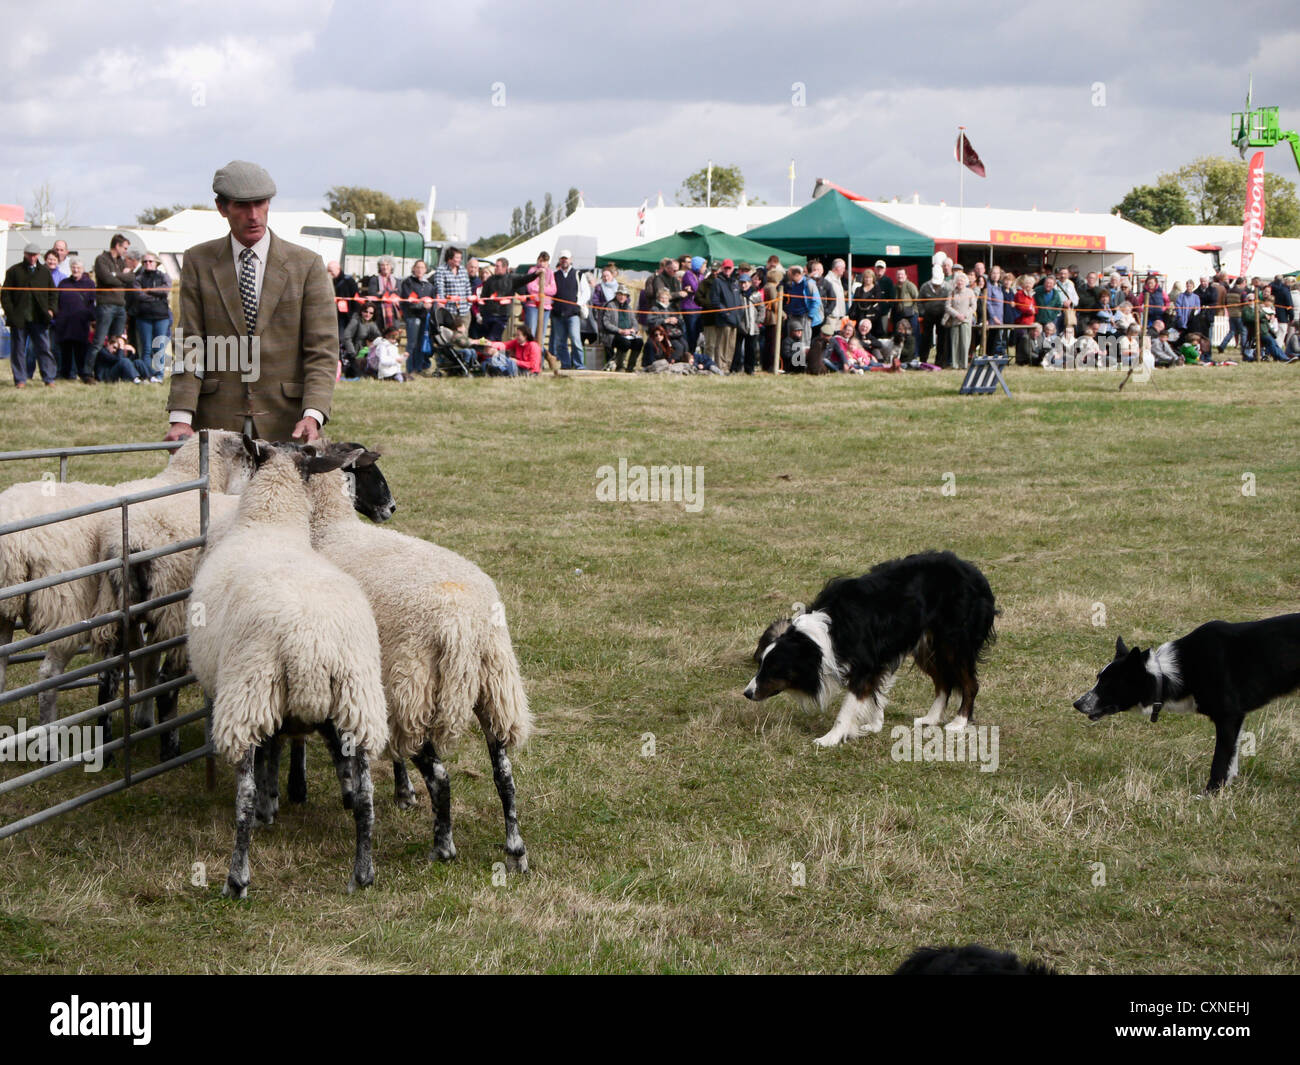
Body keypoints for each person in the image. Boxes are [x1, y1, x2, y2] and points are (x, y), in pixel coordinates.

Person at [165, 160, 336, 443]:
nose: (254, 215)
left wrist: (313, 413)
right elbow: (189, 344)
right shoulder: (198, 261)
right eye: (242, 206)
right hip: (216, 420)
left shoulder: (307, 265)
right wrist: (181, 418)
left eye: (260, 203)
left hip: (288, 422)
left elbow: (322, 350)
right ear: (222, 208)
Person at [1, 242, 58, 387]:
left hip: (39, 318)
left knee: (44, 349)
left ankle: (49, 378)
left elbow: (53, 294)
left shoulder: (44, 272)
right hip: (19, 318)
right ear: (25, 254)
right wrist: (10, 313)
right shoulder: (14, 271)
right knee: (18, 350)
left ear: (39, 255)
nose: (32, 258)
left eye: (35, 255)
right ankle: (20, 379)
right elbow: (5, 295)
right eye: (29, 255)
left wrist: (51, 310)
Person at [86, 233, 132, 377]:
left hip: (120, 307)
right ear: (117, 246)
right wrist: (121, 277)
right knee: (99, 342)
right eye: (124, 248)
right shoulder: (101, 260)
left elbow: (130, 278)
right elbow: (106, 279)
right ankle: (87, 372)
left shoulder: (121, 261)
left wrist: (116, 275)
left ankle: (112, 372)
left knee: (117, 342)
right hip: (106, 305)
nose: (126, 251)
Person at [52, 257, 96, 381]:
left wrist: (90, 317)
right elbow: (57, 301)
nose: (76, 270)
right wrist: (57, 315)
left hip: (81, 323)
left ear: (83, 269)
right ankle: (64, 374)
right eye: (73, 267)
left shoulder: (89, 284)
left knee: (80, 350)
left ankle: (82, 373)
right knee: (65, 350)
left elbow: (92, 303)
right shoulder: (64, 283)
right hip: (64, 323)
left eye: (78, 268)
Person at [131, 251, 171, 382]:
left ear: (156, 263)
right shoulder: (138, 278)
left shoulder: (163, 276)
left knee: (159, 346)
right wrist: (155, 297)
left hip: (161, 317)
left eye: (150, 261)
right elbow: (138, 295)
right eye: (145, 262)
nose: (147, 264)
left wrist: (148, 291)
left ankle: (159, 375)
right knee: (146, 348)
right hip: (144, 317)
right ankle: (147, 374)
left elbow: (166, 290)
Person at [549, 249, 585, 369]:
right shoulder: (554, 275)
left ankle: (579, 365)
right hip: (558, 314)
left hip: (573, 314)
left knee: (576, 340)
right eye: (562, 258)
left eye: (566, 258)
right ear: (559, 260)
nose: (564, 260)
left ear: (571, 259)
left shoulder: (578, 274)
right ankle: (566, 365)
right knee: (560, 342)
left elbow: (586, 292)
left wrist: (578, 304)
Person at [400, 259, 435, 375]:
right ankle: (409, 369)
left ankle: (419, 368)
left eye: (422, 267)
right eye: (418, 267)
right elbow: (408, 300)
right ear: (414, 269)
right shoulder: (408, 282)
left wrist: (430, 306)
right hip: (412, 317)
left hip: (425, 317)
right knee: (412, 344)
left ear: (425, 270)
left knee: (421, 344)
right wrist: (422, 305)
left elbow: (433, 300)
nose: (420, 270)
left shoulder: (429, 286)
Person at [597, 284, 644, 372]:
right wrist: (620, 331)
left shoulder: (628, 307)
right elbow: (606, 323)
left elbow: (634, 322)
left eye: (624, 295)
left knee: (639, 342)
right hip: (612, 335)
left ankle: (630, 367)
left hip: (628, 334)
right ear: (617, 295)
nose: (622, 297)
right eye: (620, 294)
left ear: (627, 297)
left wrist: (633, 329)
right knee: (625, 343)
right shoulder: (610, 305)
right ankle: (620, 366)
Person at [707, 259, 742, 371]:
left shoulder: (735, 282)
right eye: (726, 268)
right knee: (722, 345)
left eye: (729, 268)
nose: (727, 270)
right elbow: (715, 301)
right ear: (722, 268)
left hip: (735, 319)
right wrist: (726, 313)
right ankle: (720, 367)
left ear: (732, 269)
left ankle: (727, 367)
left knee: (731, 346)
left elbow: (739, 300)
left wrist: (738, 315)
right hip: (724, 319)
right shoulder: (718, 282)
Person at [433, 247, 472, 335]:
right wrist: (442, 306)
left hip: (464, 310)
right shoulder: (441, 270)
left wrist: (468, 304)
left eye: (460, 258)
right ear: (450, 258)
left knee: (463, 338)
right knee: (450, 336)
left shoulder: (463, 270)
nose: (459, 260)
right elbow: (440, 288)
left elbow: (468, 288)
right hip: (450, 310)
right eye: (457, 258)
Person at [521, 251, 555, 350]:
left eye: (545, 261)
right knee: (530, 331)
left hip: (546, 306)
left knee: (542, 334)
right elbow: (531, 287)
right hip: (533, 305)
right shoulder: (532, 270)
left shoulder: (550, 272)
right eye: (541, 260)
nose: (542, 263)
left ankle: (540, 358)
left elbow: (554, 290)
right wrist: (545, 288)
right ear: (538, 260)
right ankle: (528, 354)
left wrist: (541, 288)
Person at [733, 270, 764, 374]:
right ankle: (735, 368)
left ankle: (749, 369)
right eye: (741, 282)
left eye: (745, 282)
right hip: (740, 326)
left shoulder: (756, 295)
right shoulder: (737, 295)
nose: (743, 285)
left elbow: (761, 309)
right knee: (737, 349)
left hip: (752, 326)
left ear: (750, 283)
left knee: (750, 349)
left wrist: (758, 321)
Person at [944, 271, 976, 369]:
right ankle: (955, 364)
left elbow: (973, 306)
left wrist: (965, 315)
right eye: (958, 281)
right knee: (955, 343)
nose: (960, 282)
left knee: (965, 343)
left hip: (966, 321)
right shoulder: (952, 292)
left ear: (965, 282)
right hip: (955, 321)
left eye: (962, 281)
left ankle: (964, 364)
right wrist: (957, 315)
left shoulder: (970, 292)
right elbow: (947, 306)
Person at [478, 257, 515, 342]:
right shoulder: (489, 281)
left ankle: (492, 354)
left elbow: (524, 279)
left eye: (497, 266)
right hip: (487, 315)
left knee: (493, 338)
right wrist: (481, 312)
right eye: (495, 266)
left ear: (505, 267)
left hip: (502, 315)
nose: (496, 268)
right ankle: (487, 354)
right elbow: (483, 298)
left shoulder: (510, 279)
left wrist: (535, 274)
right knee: (485, 339)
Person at [341, 303, 381, 377]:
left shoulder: (371, 323)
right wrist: (352, 353)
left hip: (364, 352)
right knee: (357, 374)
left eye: (371, 313)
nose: (368, 314)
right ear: (361, 311)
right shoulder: (355, 321)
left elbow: (379, 336)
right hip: (352, 353)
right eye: (365, 311)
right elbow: (346, 337)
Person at [327, 260, 358, 343]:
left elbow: (356, 297)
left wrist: (354, 313)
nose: (329, 273)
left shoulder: (349, 280)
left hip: (346, 314)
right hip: (333, 313)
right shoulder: (328, 280)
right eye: (328, 270)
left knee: (343, 336)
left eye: (331, 270)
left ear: (338, 269)